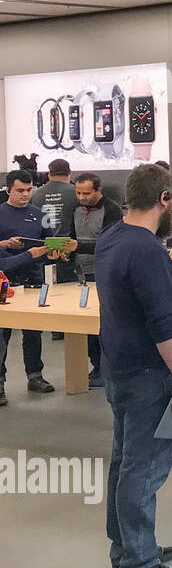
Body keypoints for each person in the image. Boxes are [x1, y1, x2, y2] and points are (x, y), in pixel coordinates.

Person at [94, 164, 172, 568]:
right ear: (165, 199)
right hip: (150, 375)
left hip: (119, 369)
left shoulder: (112, 238)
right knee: (144, 468)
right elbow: (164, 325)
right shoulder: (148, 251)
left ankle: (128, 547)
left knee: (124, 462)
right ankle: (139, 561)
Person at [0, 170, 56, 398]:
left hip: (33, 279)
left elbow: (49, 241)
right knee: (2, 335)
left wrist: (53, 253)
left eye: (28, 190)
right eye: (19, 190)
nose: (25, 195)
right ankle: (0, 382)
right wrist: (5, 244)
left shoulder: (41, 214)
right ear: (8, 190)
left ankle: (35, 374)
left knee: (33, 330)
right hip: (5, 281)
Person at [67, 173, 123, 386]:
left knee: (104, 322)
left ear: (98, 190)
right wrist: (67, 252)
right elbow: (73, 236)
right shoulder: (75, 209)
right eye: (78, 192)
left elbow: (111, 244)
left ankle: (105, 368)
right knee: (86, 323)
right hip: (81, 272)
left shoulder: (113, 210)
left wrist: (79, 247)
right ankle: (96, 366)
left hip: (105, 272)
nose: (81, 197)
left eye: (86, 193)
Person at [32, 158, 79, 283]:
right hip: (68, 250)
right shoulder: (77, 193)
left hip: (41, 250)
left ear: (49, 174)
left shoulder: (35, 194)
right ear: (70, 173)